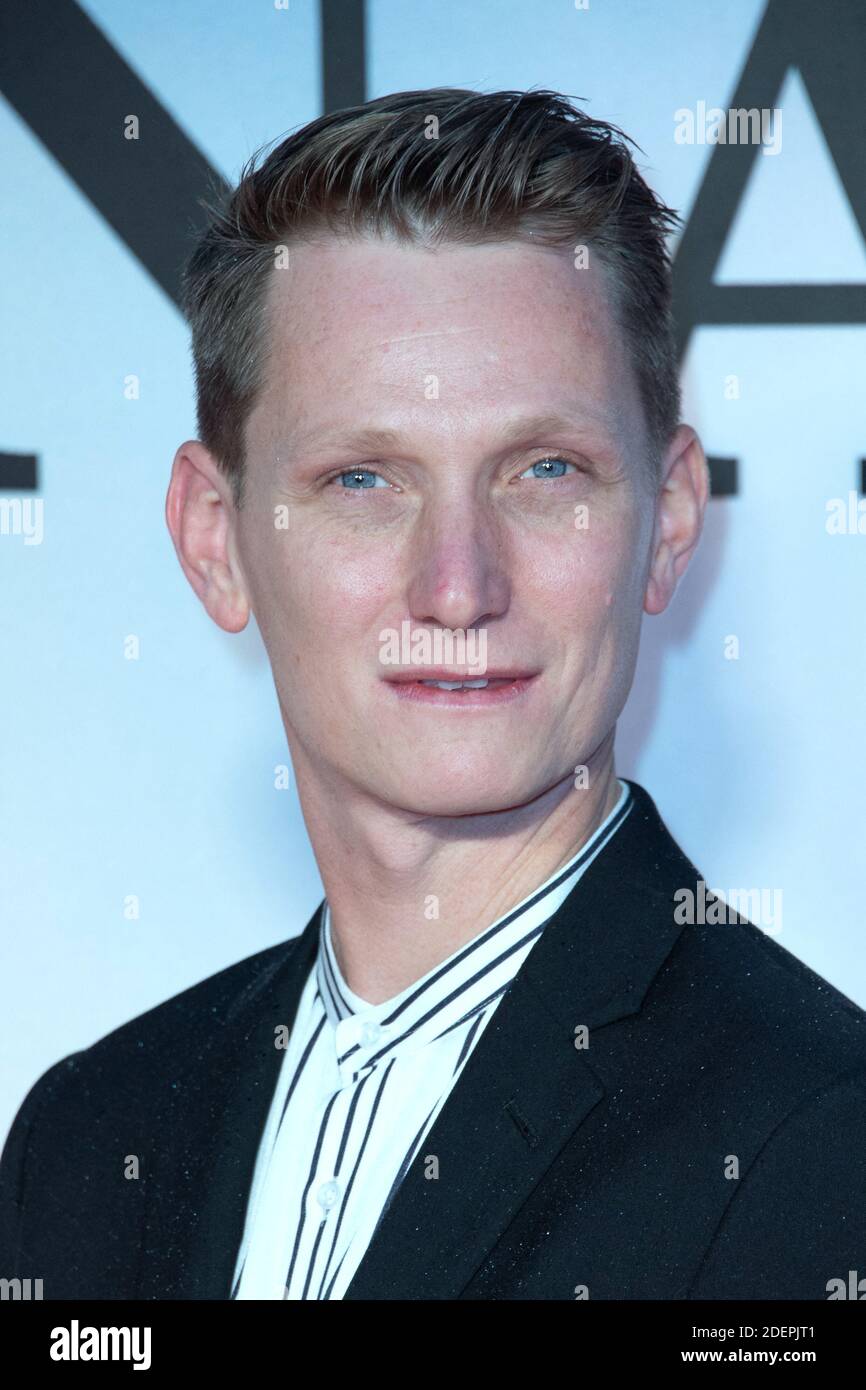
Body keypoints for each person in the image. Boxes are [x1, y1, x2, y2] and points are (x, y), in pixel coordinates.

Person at [2, 88, 864, 1301]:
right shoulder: (87, 1141)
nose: (456, 586)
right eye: (362, 479)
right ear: (216, 538)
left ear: (667, 521)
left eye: (544, 469)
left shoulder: (819, 1147)